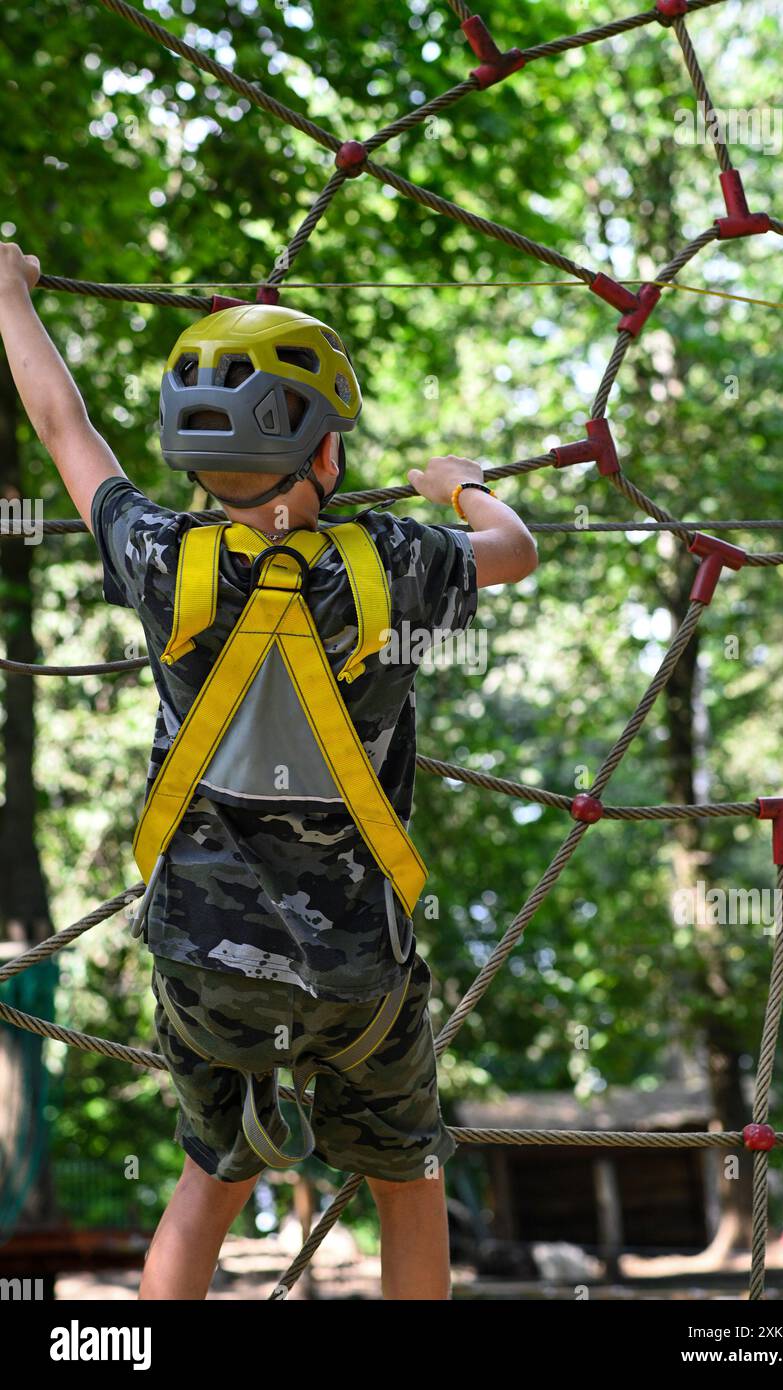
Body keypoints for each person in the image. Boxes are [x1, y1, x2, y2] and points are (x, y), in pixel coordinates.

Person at [0, 241, 539, 1300]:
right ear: (326, 459)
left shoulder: (160, 557)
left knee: (210, 1175)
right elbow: (513, 548)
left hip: (202, 959)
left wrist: (8, 297)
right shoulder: (394, 561)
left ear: (196, 465)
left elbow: (67, 430)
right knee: (407, 1180)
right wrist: (460, 488)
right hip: (357, 973)